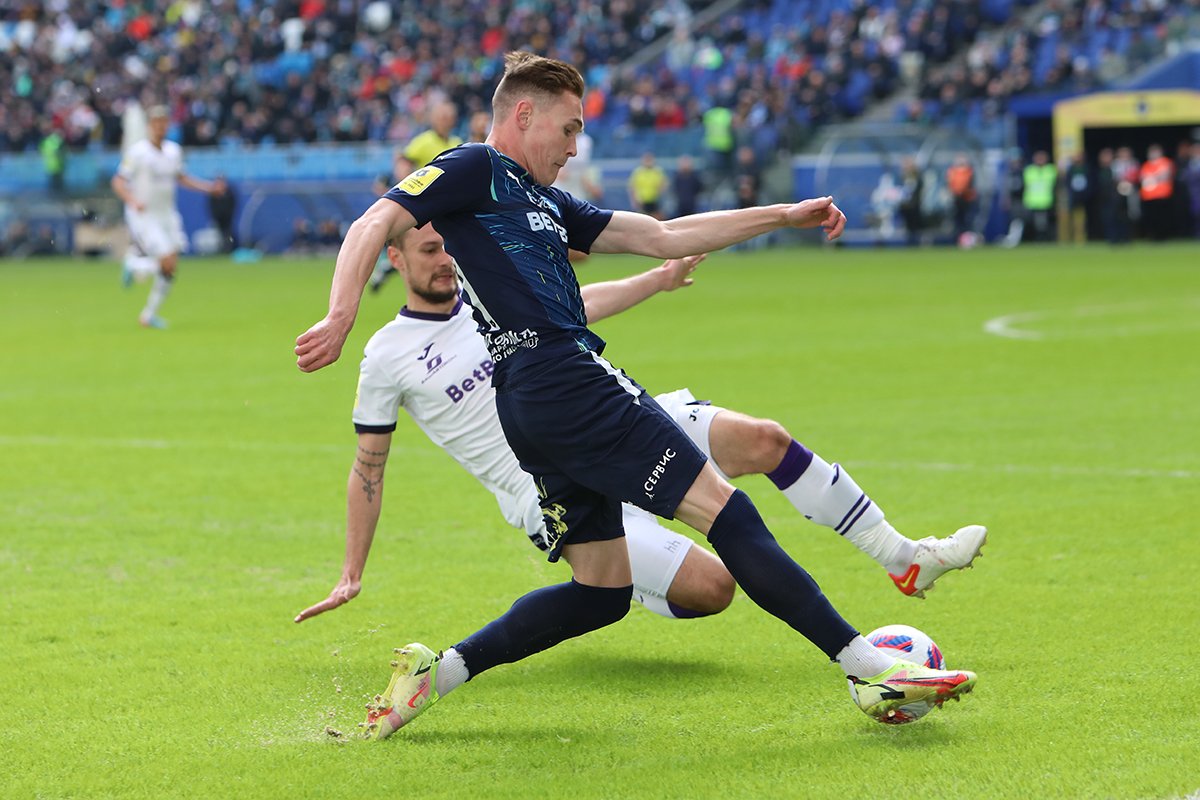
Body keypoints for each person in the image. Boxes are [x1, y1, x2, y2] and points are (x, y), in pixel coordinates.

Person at [295, 52, 979, 737]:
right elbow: (373, 222)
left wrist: (782, 215)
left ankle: (437, 672)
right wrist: (341, 313)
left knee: (601, 592)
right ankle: (870, 667)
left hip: (531, 402)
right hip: (566, 381)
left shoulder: (545, 201)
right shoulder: (475, 166)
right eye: (568, 129)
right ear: (524, 114)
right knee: (729, 514)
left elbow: (661, 236)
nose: (574, 147)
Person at [294, 224, 986, 626]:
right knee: (714, 590)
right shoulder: (386, 355)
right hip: (549, 488)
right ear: (394, 258)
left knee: (764, 439)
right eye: (427, 250)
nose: (445, 259)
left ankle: (903, 557)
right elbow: (368, 468)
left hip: (615, 420)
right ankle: (625, 580)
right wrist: (351, 572)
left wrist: (655, 279)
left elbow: (577, 302)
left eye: (448, 246)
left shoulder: (488, 295)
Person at [111, 105, 219, 329]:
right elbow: (118, 181)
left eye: (163, 122)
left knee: (171, 266)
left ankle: (148, 315)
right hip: (145, 214)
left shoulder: (173, 151)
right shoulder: (137, 152)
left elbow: (182, 177)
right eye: (156, 122)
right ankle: (134, 265)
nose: (160, 126)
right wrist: (132, 200)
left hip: (167, 214)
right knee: (166, 261)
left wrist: (209, 188)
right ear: (149, 126)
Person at [370, 101, 464, 293]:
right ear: (434, 120)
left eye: (449, 117)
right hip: (428, 208)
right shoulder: (424, 141)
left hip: (449, 207)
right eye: (442, 117)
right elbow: (403, 161)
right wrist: (407, 190)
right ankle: (392, 267)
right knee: (423, 247)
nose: (446, 121)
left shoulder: (456, 142)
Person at [1138, 144, 1175, 241]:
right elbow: (1142, 178)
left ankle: (1163, 236)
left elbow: (1164, 176)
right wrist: (1153, 178)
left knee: (1162, 217)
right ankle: (1153, 236)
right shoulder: (1146, 165)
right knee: (1151, 217)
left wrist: (1151, 178)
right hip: (1148, 196)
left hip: (1162, 195)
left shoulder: (1165, 162)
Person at [1022, 151, 1056, 243]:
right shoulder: (1029, 170)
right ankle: (1033, 240)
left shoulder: (1051, 170)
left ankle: (1044, 240)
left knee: (1044, 224)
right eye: (1038, 158)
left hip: (1046, 201)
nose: (1040, 160)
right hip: (1031, 201)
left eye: (1042, 158)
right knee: (1032, 223)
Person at [628, 151, 669, 219]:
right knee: (642, 219)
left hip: (655, 200)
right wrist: (634, 200)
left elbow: (664, 184)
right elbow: (632, 187)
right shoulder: (638, 172)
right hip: (642, 201)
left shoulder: (657, 171)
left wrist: (661, 190)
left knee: (657, 219)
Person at [945, 154, 977, 242]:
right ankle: (957, 239)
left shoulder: (969, 171)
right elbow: (950, 184)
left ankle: (967, 239)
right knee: (957, 221)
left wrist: (962, 192)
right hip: (956, 199)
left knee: (967, 220)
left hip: (966, 199)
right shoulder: (952, 171)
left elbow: (969, 185)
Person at [1063, 153, 1092, 244]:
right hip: (1073, 197)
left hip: (1083, 197)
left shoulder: (1086, 168)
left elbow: (1090, 183)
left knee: (1083, 219)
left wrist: (1087, 194)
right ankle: (1070, 237)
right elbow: (1067, 183)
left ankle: (1081, 237)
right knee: (1071, 217)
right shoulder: (1071, 169)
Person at [208, 175, 237, 252]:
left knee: (227, 233)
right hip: (218, 218)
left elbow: (232, 205)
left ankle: (228, 249)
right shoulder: (213, 194)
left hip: (227, 218)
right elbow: (211, 206)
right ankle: (220, 249)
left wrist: (228, 215)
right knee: (218, 234)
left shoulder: (229, 193)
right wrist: (215, 216)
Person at [898, 157, 924, 246]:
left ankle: (916, 243)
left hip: (914, 206)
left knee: (915, 227)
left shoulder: (917, 176)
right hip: (905, 206)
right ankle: (910, 243)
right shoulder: (901, 177)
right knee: (908, 228)